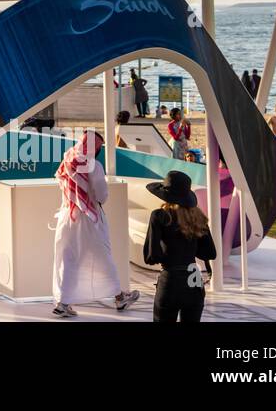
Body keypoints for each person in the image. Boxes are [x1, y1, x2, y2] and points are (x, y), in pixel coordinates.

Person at [50, 131, 139, 317]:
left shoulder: (68, 158)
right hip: (89, 217)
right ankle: (119, 297)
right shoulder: (94, 165)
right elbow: (101, 195)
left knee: (68, 258)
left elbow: (60, 181)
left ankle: (63, 303)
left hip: (67, 216)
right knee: (103, 256)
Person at [142, 171, 216, 322]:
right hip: (194, 282)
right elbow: (209, 253)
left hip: (170, 281)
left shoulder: (159, 216)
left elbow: (151, 256)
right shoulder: (199, 218)